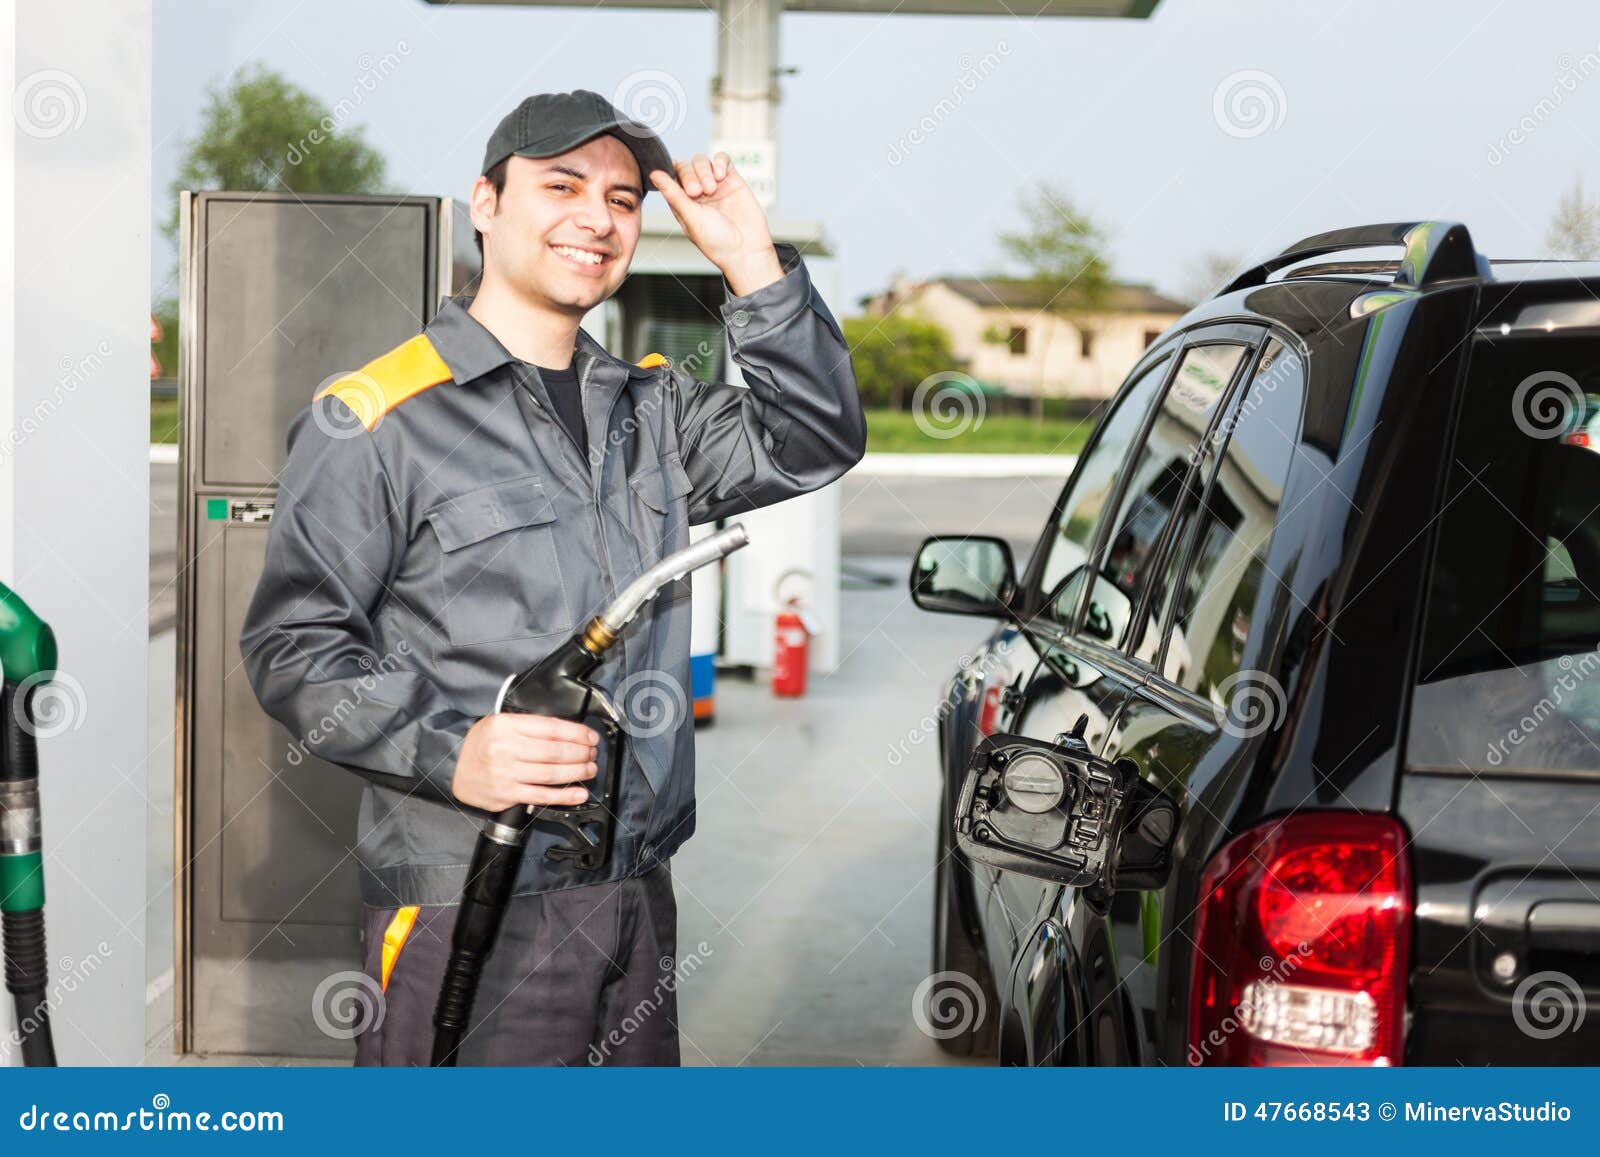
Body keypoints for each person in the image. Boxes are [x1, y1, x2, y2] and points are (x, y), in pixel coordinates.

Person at [239, 89, 865, 1065]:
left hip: (630, 889)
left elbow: (815, 437)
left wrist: (750, 257)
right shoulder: (376, 417)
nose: (597, 217)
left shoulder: (654, 412)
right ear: (485, 202)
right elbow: (292, 646)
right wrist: (450, 752)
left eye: (623, 200)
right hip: (466, 891)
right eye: (562, 184)